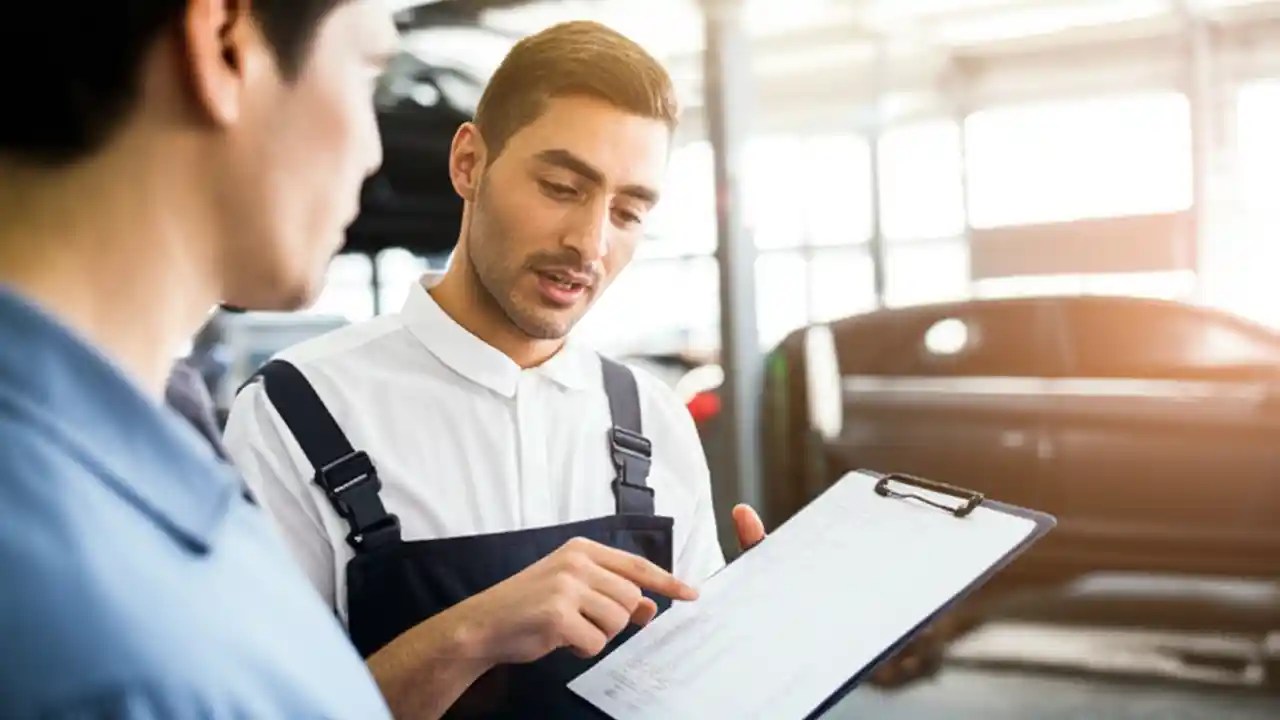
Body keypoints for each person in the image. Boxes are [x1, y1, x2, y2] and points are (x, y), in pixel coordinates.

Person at [223, 19, 768, 719]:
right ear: (469, 163)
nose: (590, 244)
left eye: (629, 211)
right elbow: (254, 709)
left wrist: (753, 641)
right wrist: (470, 635)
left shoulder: (650, 416)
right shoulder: (294, 415)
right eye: (563, 186)